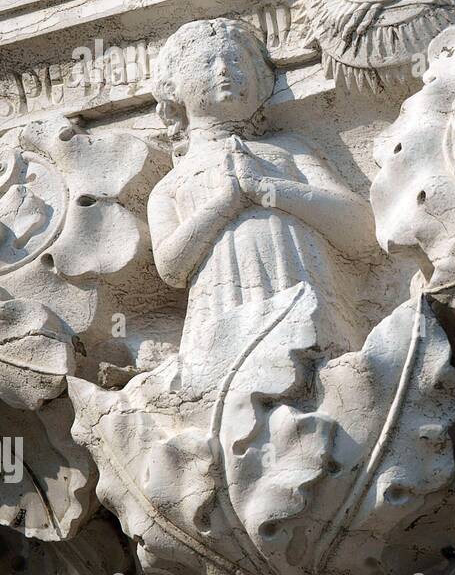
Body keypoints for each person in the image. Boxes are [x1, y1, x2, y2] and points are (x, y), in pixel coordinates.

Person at [147, 18, 372, 356]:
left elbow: (360, 229)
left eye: (237, 60)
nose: (224, 70)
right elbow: (171, 267)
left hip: (305, 298)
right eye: (206, 61)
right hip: (221, 317)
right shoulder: (172, 184)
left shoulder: (288, 149)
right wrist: (228, 201)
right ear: (172, 87)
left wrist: (267, 187)